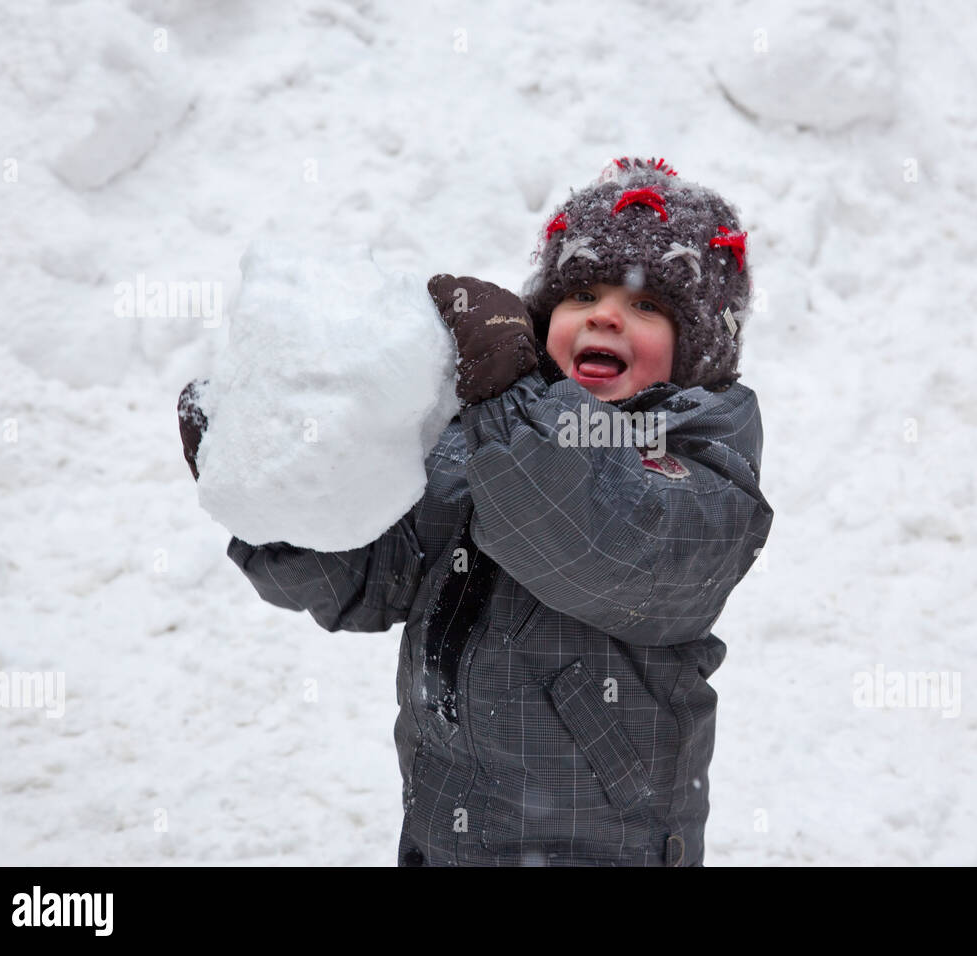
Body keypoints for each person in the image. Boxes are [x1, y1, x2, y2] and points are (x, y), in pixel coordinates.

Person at [178, 156, 774, 866]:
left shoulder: (701, 467)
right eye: (581, 294)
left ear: (697, 349)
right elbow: (371, 576)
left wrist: (515, 397)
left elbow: (602, 538)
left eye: (647, 306)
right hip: (447, 831)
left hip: (601, 848)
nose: (607, 315)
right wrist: (279, 494)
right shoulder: (483, 440)